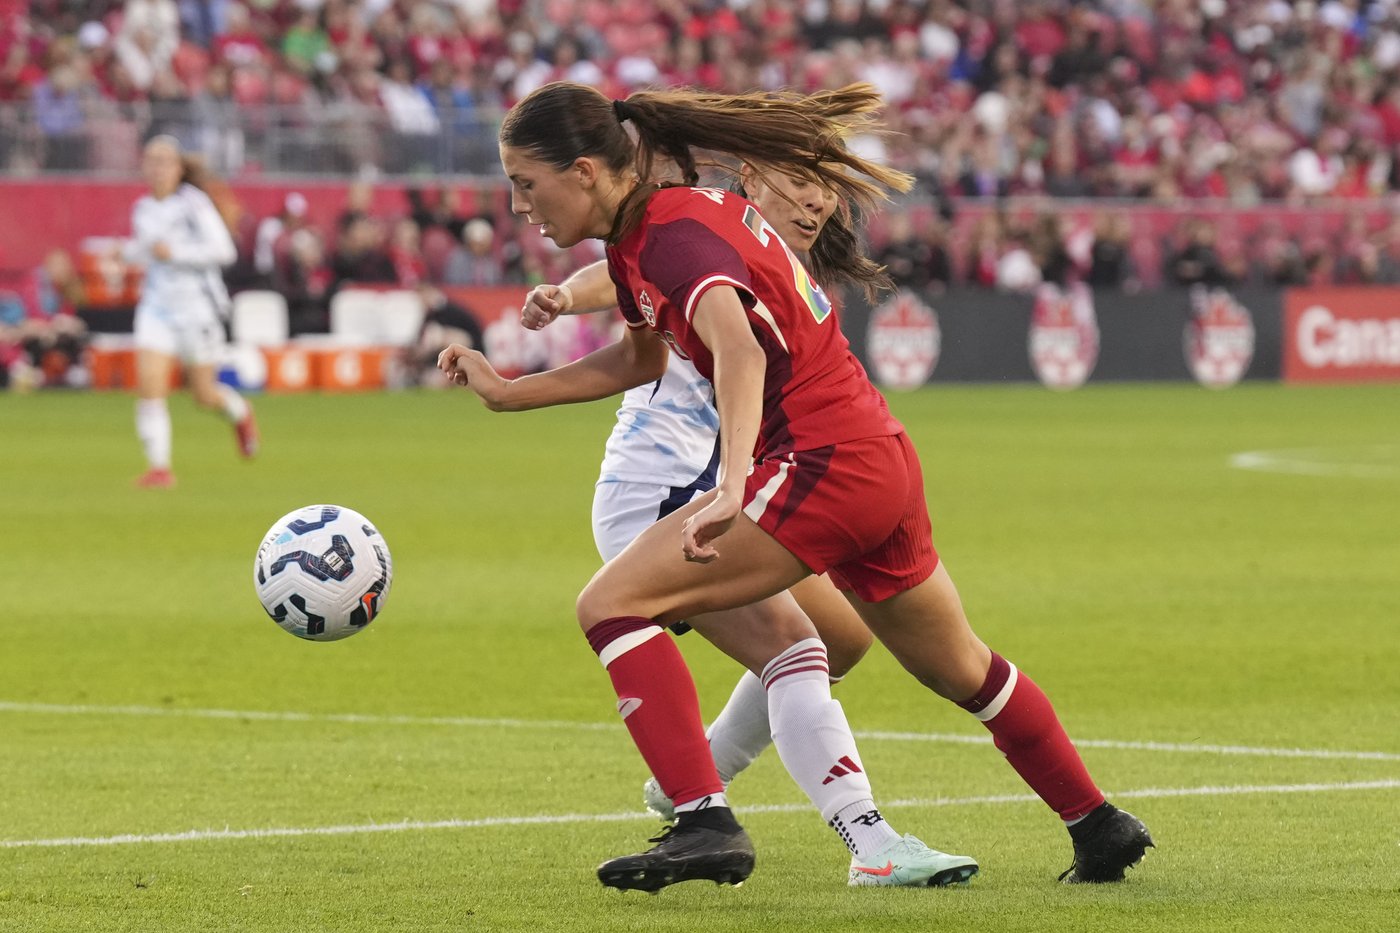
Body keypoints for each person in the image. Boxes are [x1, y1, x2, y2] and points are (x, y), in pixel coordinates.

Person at [440, 82, 1152, 892]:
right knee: (964, 668)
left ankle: (703, 820)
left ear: (584, 171)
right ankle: (1096, 821)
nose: (518, 203)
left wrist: (734, 481)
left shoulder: (668, 235)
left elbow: (737, 352)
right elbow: (639, 360)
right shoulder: (651, 231)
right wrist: (509, 391)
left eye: (524, 183)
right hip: (878, 455)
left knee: (610, 604)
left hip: (818, 463)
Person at [449, 163, 978, 890]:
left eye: (825, 187)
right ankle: (864, 836)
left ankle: (692, 777)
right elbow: (636, 285)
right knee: (796, 648)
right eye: (801, 182)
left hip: (724, 483)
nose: (818, 202)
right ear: (749, 187)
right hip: (668, 488)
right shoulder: (692, 235)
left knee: (842, 638)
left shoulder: (749, 255)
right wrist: (568, 296)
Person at [125, 135, 257, 488]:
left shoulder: (194, 204)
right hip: (156, 308)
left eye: (164, 161)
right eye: (151, 160)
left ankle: (241, 414)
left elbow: (224, 252)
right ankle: (160, 468)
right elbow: (143, 251)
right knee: (150, 385)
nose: (157, 168)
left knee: (204, 395)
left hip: (197, 308)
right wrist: (124, 254)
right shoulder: (142, 209)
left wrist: (177, 253)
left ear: (178, 168)